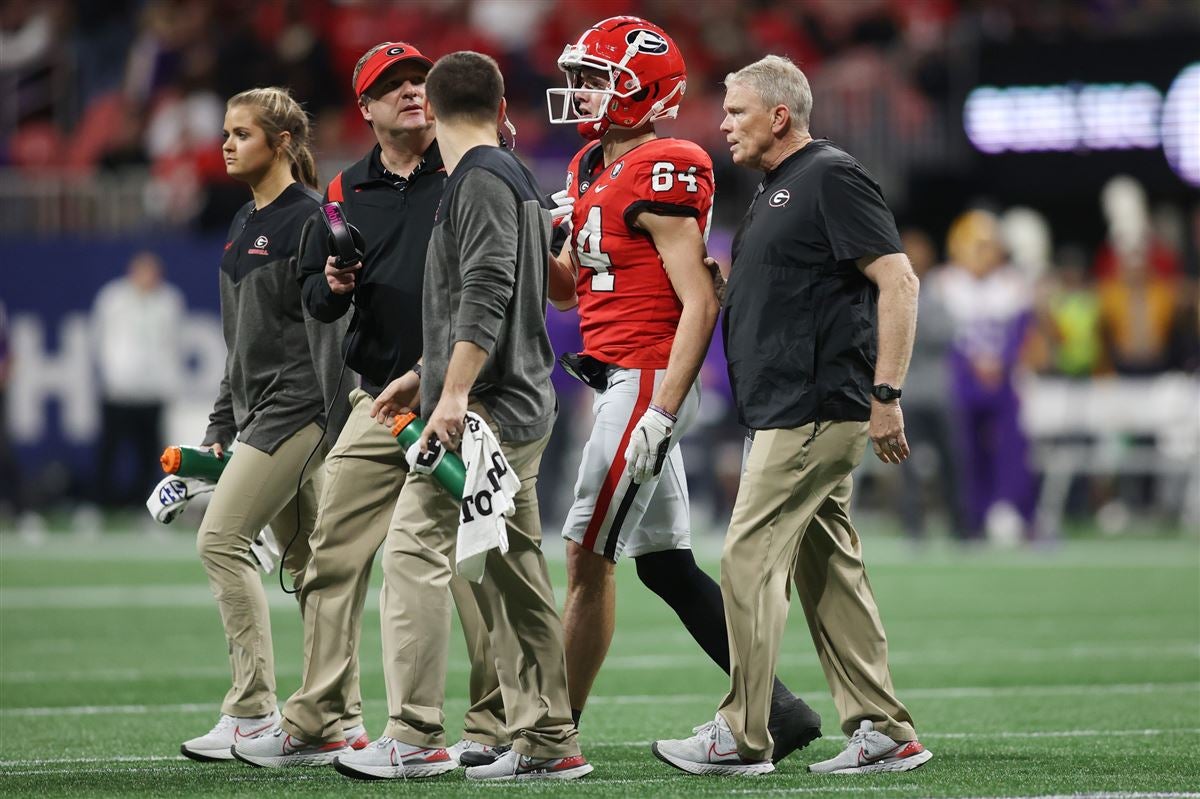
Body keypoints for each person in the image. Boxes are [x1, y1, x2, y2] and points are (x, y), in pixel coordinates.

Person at [543, 15, 821, 761]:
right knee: (662, 563)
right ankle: (779, 710)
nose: (582, 92)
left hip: (644, 378)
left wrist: (662, 411)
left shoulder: (667, 160)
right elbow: (567, 290)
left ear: (644, 91)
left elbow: (698, 299)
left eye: (598, 79)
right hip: (614, 379)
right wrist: (534, 236)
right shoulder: (585, 165)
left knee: (585, 556)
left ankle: (550, 734)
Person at [653, 55, 932, 776]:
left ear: (780, 115)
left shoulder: (829, 175)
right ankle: (882, 729)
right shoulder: (781, 189)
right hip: (794, 406)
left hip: (810, 410)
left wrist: (888, 393)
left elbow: (897, 280)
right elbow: (799, 291)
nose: (723, 124)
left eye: (736, 111)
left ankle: (742, 733)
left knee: (746, 558)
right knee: (827, 568)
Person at [231, 41, 505, 770]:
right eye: (395, 86)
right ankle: (321, 716)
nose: (412, 92)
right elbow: (321, 302)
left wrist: (447, 376)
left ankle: (491, 721)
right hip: (376, 398)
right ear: (368, 108)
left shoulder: (471, 170)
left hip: (457, 396)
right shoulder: (347, 189)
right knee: (330, 553)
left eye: (420, 81)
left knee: (469, 565)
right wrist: (334, 283)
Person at [337, 51, 591, 781]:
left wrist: (451, 394)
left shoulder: (475, 177)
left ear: (438, 109)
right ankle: (548, 738)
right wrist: (423, 374)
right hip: (516, 398)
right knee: (514, 571)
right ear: (499, 102)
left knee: (414, 549)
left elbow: (485, 288)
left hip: (488, 409)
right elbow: (512, 295)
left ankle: (414, 736)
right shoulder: (513, 173)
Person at [180, 87, 351, 762]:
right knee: (312, 565)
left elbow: (328, 336)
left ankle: (252, 710)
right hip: (261, 411)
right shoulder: (242, 220)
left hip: (297, 410)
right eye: (224, 131)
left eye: (241, 133)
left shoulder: (311, 219)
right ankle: (333, 719)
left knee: (220, 539)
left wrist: (330, 426)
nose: (226, 143)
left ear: (281, 143)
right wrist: (221, 422)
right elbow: (240, 345)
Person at [90, 251, 185, 510]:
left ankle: (142, 503)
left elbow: (174, 344)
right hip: (119, 388)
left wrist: (169, 381)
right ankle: (102, 503)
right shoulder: (113, 298)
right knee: (110, 448)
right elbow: (98, 339)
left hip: (153, 390)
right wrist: (110, 373)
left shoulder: (169, 301)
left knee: (149, 451)